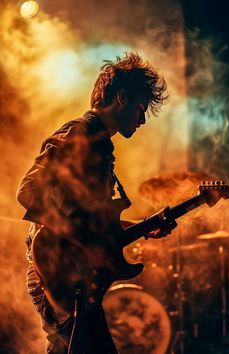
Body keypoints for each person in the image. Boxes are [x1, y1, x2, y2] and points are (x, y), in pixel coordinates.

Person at [16, 53, 176, 354]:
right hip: (57, 275)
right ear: (122, 98)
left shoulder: (101, 146)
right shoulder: (79, 135)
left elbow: (88, 222)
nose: (142, 121)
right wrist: (87, 244)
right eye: (140, 110)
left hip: (73, 275)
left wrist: (142, 226)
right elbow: (27, 192)